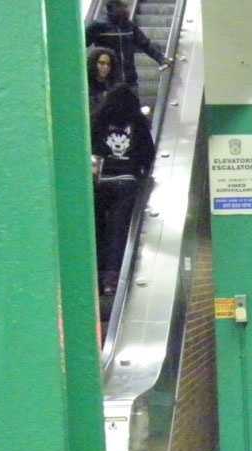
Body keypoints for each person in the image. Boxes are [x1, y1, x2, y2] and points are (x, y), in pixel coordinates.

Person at [90, 84, 154, 295]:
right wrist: (141, 172)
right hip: (127, 182)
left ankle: (94, 276)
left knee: (98, 229)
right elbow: (148, 154)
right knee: (118, 231)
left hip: (101, 181)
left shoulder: (98, 121)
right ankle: (111, 279)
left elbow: (90, 148)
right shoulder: (138, 123)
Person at [85, 0, 172, 93]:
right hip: (108, 82)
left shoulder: (129, 26)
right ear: (113, 9)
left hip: (130, 80)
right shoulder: (98, 26)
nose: (126, 10)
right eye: (123, 7)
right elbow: (80, 46)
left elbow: (145, 44)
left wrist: (161, 59)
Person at [86, 46, 118, 113]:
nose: (105, 67)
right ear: (93, 63)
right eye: (102, 63)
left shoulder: (113, 87)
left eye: (108, 64)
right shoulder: (86, 86)